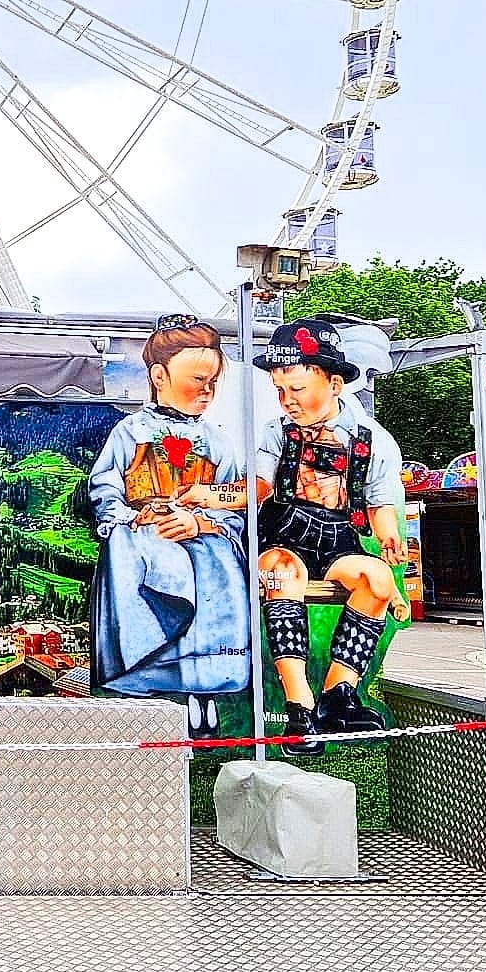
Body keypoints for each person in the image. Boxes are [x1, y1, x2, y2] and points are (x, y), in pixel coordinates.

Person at [189, 317, 410, 755]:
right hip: (284, 538)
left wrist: (388, 536)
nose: (287, 400)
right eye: (280, 390)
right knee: (281, 573)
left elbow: (380, 500)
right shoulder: (277, 434)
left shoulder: (373, 441)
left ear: (334, 384)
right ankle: (299, 704)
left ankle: (338, 695)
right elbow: (258, 487)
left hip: (339, 542)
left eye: (297, 389)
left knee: (376, 579)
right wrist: (211, 494)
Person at [89, 315, 251, 738]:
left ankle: (203, 692)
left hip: (201, 536)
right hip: (144, 534)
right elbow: (105, 487)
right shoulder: (129, 432)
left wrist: (201, 521)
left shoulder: (217, 441)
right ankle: (147, 686)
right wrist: (131, 517)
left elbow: (233, 499)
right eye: (198, 379)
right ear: (159, 376)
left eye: (213, 381)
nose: (207, 390)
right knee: (138, 558)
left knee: (216, 570)